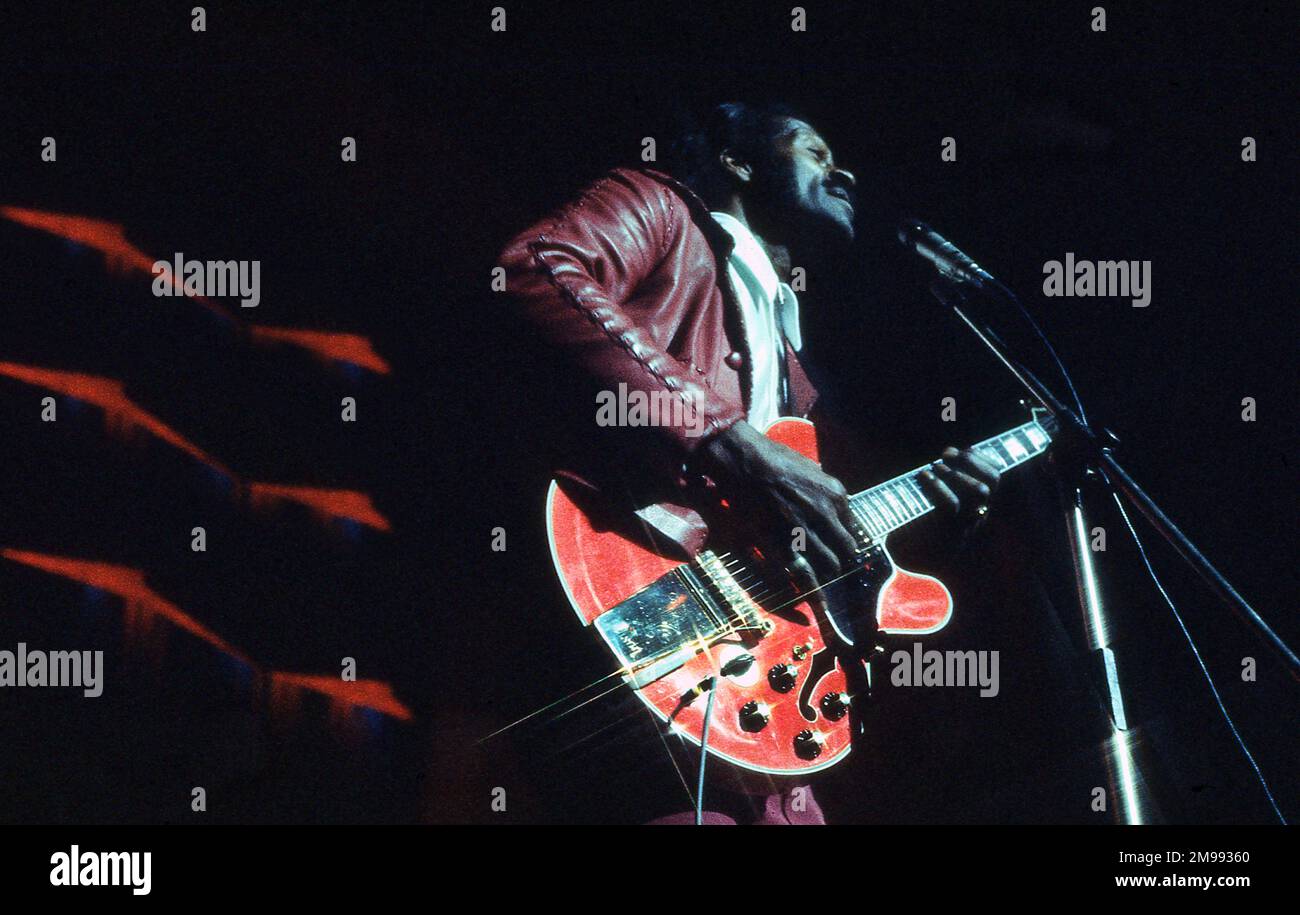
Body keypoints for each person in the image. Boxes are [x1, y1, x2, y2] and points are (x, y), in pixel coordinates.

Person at [496, 102, 1001, 823]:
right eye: (814, 151)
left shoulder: (793, 368)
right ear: (737, 163)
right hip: (643, 598)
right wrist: (731, 440)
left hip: (756, 714)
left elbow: (807, 551)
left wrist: (940, 529)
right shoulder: (662, 207)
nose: (844, 170)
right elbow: (537, 269)